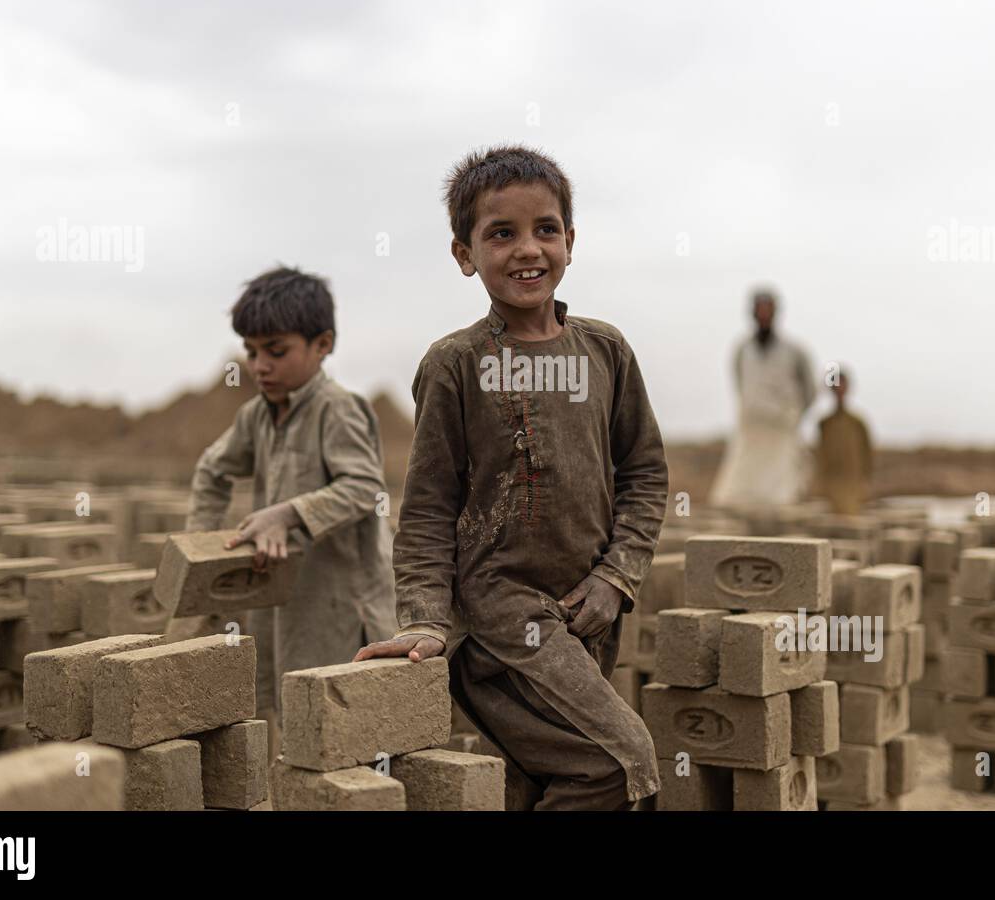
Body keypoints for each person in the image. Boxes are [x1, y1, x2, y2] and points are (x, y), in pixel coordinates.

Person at [354, 145, 668, 810]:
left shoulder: (605, 350)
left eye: (545, 229)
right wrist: (424, 619)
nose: (528, 250)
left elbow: (644, 472)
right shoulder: (456, 365)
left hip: (591, 615)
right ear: (465, 254)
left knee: (534, 780)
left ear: (571, 242)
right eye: (502, 234)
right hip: (502, 621)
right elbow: (430, 505)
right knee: (619, 762)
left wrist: (617, 578)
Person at [185, 266, 398, 721]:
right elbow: (211, 469)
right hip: (282, 596)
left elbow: (364, 488)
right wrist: (199, 553)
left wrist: (289, 514)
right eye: (252, 351)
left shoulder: (337, 409)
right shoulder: (256, 417)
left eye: (276, 351)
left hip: (339, 597)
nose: (260, 365)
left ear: (322, 345)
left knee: (342, 718)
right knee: (286, 707)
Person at [709, 287, 816, 509]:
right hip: (751, 429)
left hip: (781, 428)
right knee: (740, 490)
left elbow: (809, 389)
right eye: (760, 310)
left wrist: (793, 416)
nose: (764, 314)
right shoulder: (742, 349)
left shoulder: (795, 350)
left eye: (769, 309)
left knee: (780, 492)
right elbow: (740, 383)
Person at [816, 367, 873, 515]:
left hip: (852, 485)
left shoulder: (857, 423)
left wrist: (865, 482)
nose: (839, 389)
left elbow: (867, 455)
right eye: (836, 386)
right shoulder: (825, 423)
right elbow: (821, 455)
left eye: (842, 385)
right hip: (831, 486)